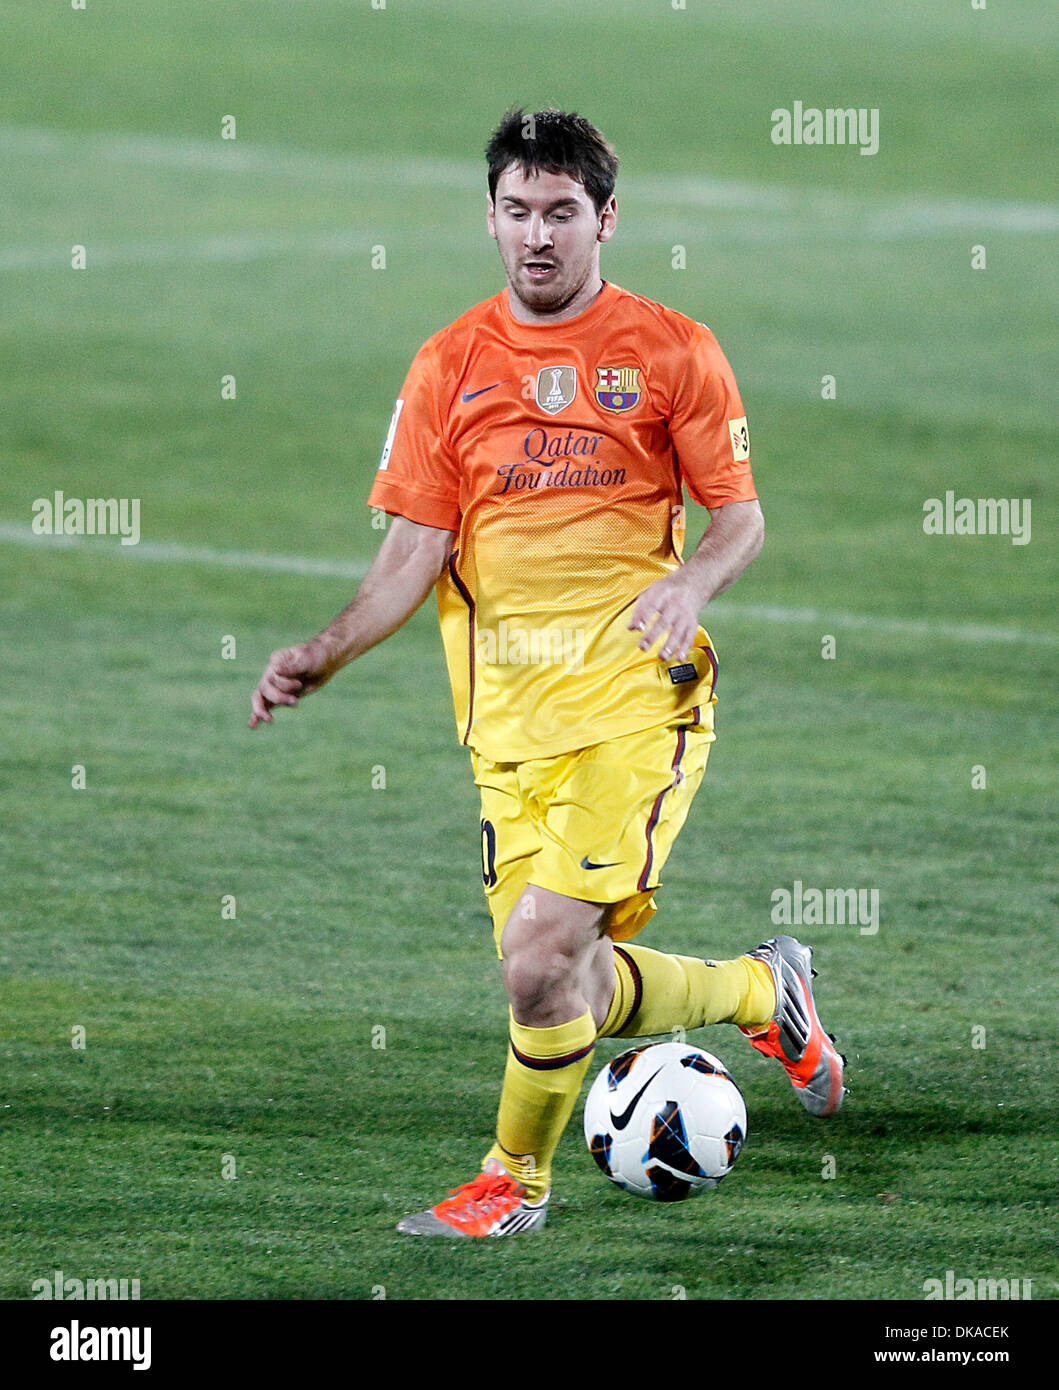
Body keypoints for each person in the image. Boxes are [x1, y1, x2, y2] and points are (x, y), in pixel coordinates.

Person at [249, 108, 845, 1238]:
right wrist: (320, 654)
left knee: (538, 957)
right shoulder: (447, 366)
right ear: (489, 216)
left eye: (562, 213)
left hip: (637, 703)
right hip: (504, 729)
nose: (538, 236)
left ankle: (511, 1182)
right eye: (517, 211)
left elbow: (743, 521)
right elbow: (414, 553)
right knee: (557, 979)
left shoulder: (674, 349)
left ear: (605, 219)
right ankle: (766, 992)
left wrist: (689, 587)